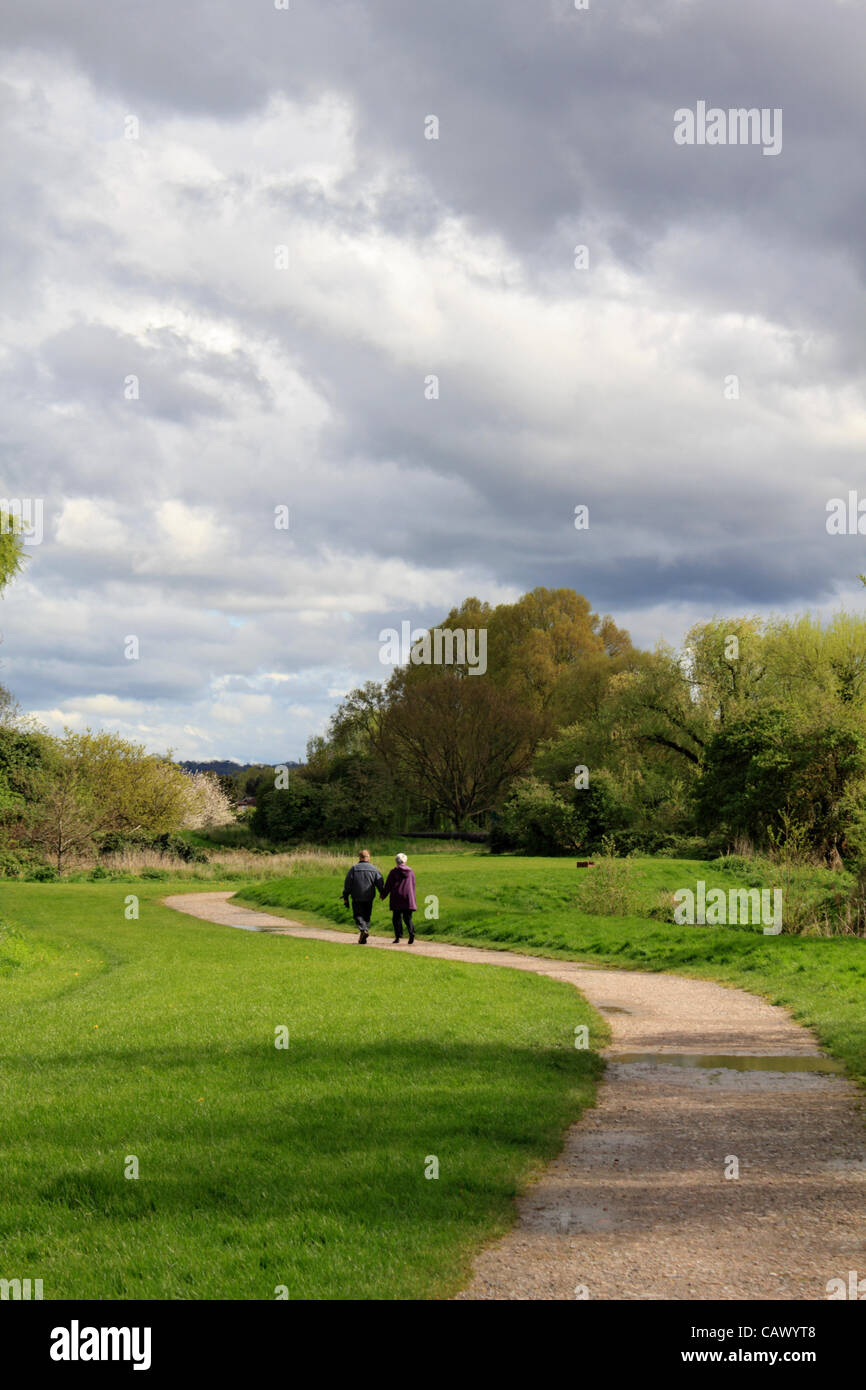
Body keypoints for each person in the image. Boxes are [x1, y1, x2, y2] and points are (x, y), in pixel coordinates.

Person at [342, 849, 384, 944]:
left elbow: (348, 884)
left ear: (359, 858)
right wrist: (382, 893)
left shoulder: (354, 869)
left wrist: (345, 895)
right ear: (368, 858)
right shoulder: (374, 869)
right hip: (369, 896)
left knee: (358, 915)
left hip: (357, 896)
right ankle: (364, 934)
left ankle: (363, 930)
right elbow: (380, 882)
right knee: (367, 915)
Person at [380, 852, 418, 944]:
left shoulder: (393, 872)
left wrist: (383, 895)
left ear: (396, 861)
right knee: (407, 918)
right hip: (408, 897)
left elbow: (388, 885)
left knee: (396, 918)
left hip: (396, 897)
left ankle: (397, 937)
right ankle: (411, 933)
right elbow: (413, 885)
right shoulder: (411, 872)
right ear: (405, 861)